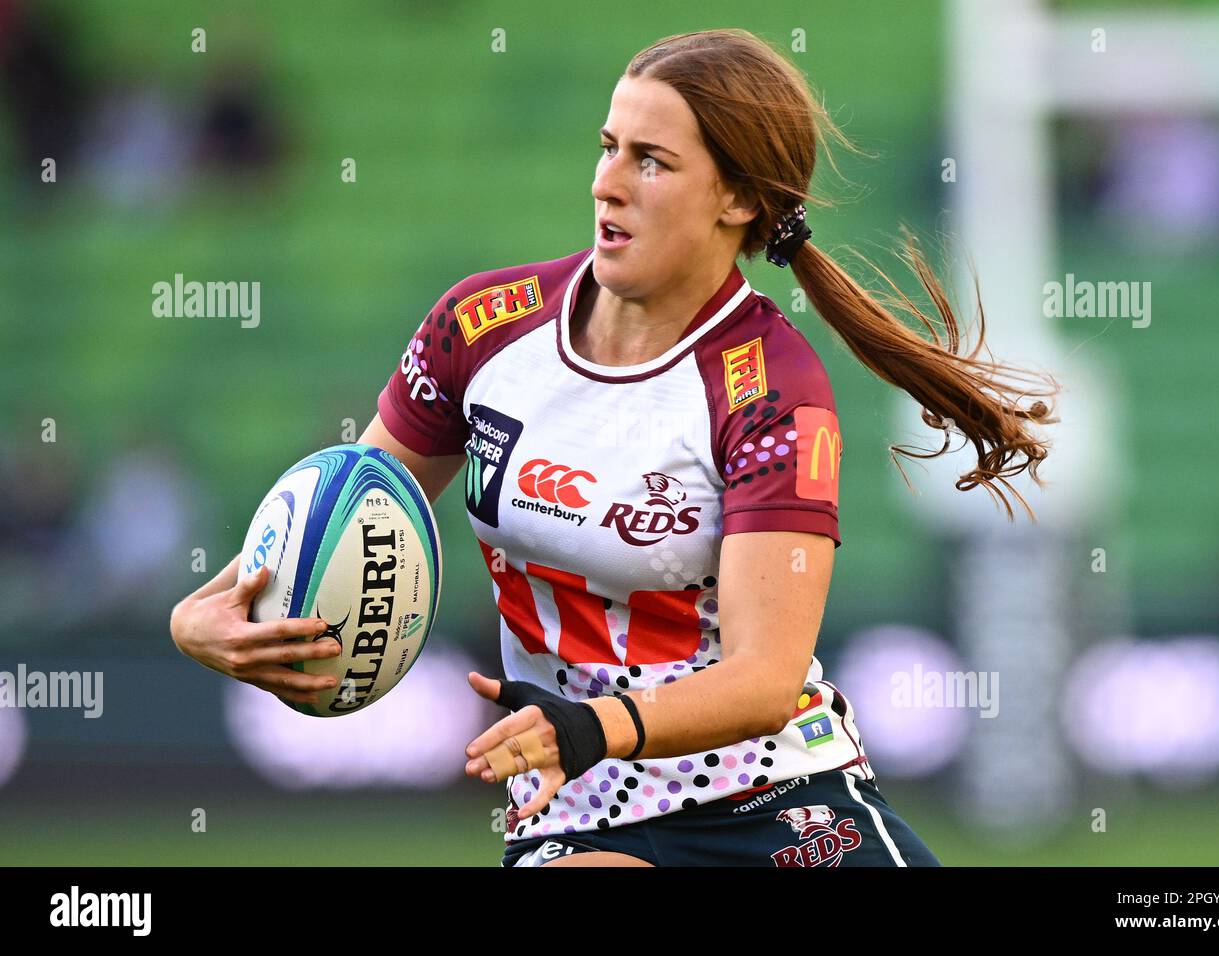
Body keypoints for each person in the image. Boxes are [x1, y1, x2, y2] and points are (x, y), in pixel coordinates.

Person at [171, 28, 1058, 867]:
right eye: (607, 147)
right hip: (575, 798)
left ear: (739, 198)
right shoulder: (482, 328)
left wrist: (588, 725)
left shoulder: (770, 388)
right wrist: (206, 617)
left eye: (652, 161)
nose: (607, 183)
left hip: (769, 786)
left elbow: (762, 679)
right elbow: (348, 508)